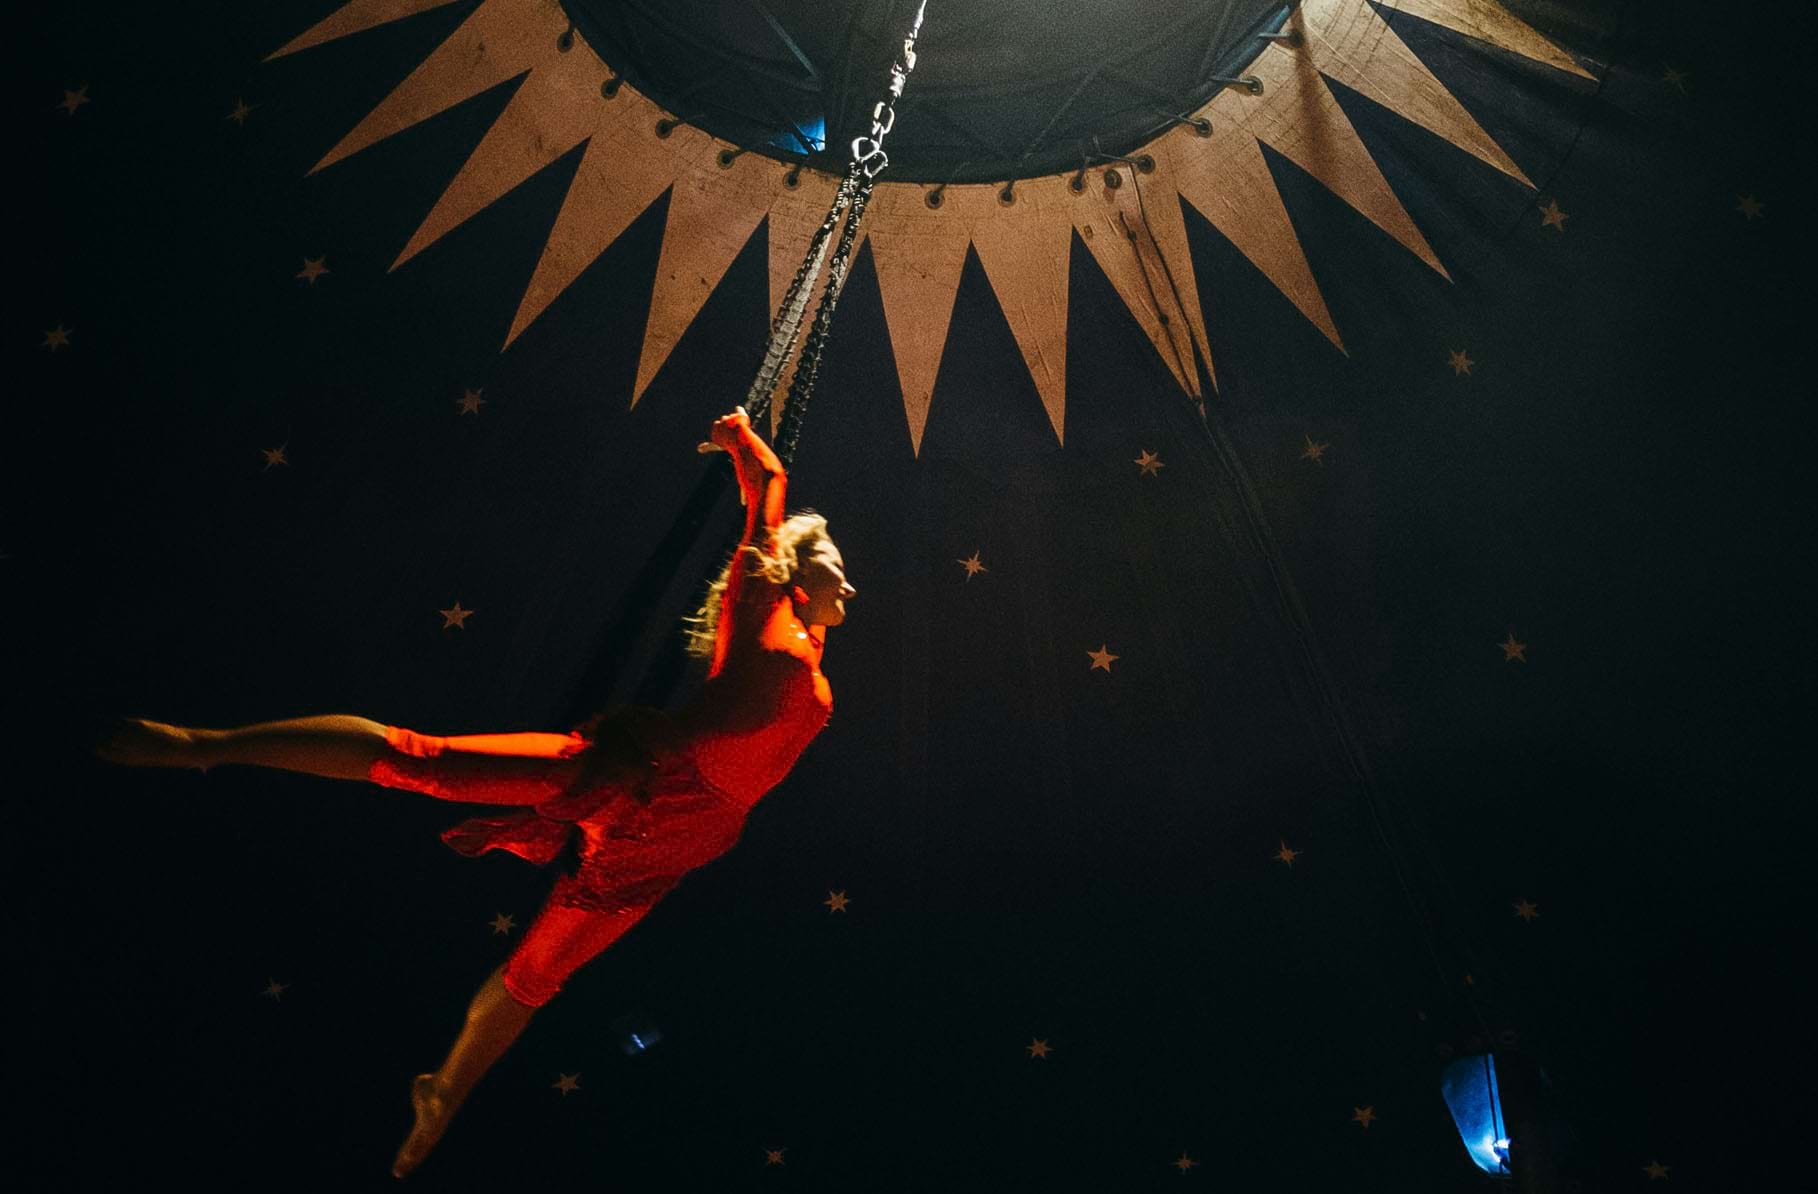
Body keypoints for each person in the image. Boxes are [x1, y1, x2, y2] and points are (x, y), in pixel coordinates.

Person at [94, 407, 854, 1177]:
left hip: (679, 844)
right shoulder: (763, 594)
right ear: (793, 562)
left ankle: (444, 1091)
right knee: (428, 761)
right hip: (639, 774)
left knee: (537, 976)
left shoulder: (815, 644)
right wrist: (739, 434)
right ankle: (210, 747)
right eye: (835, 560)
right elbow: (770, 483)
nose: (850, 580)